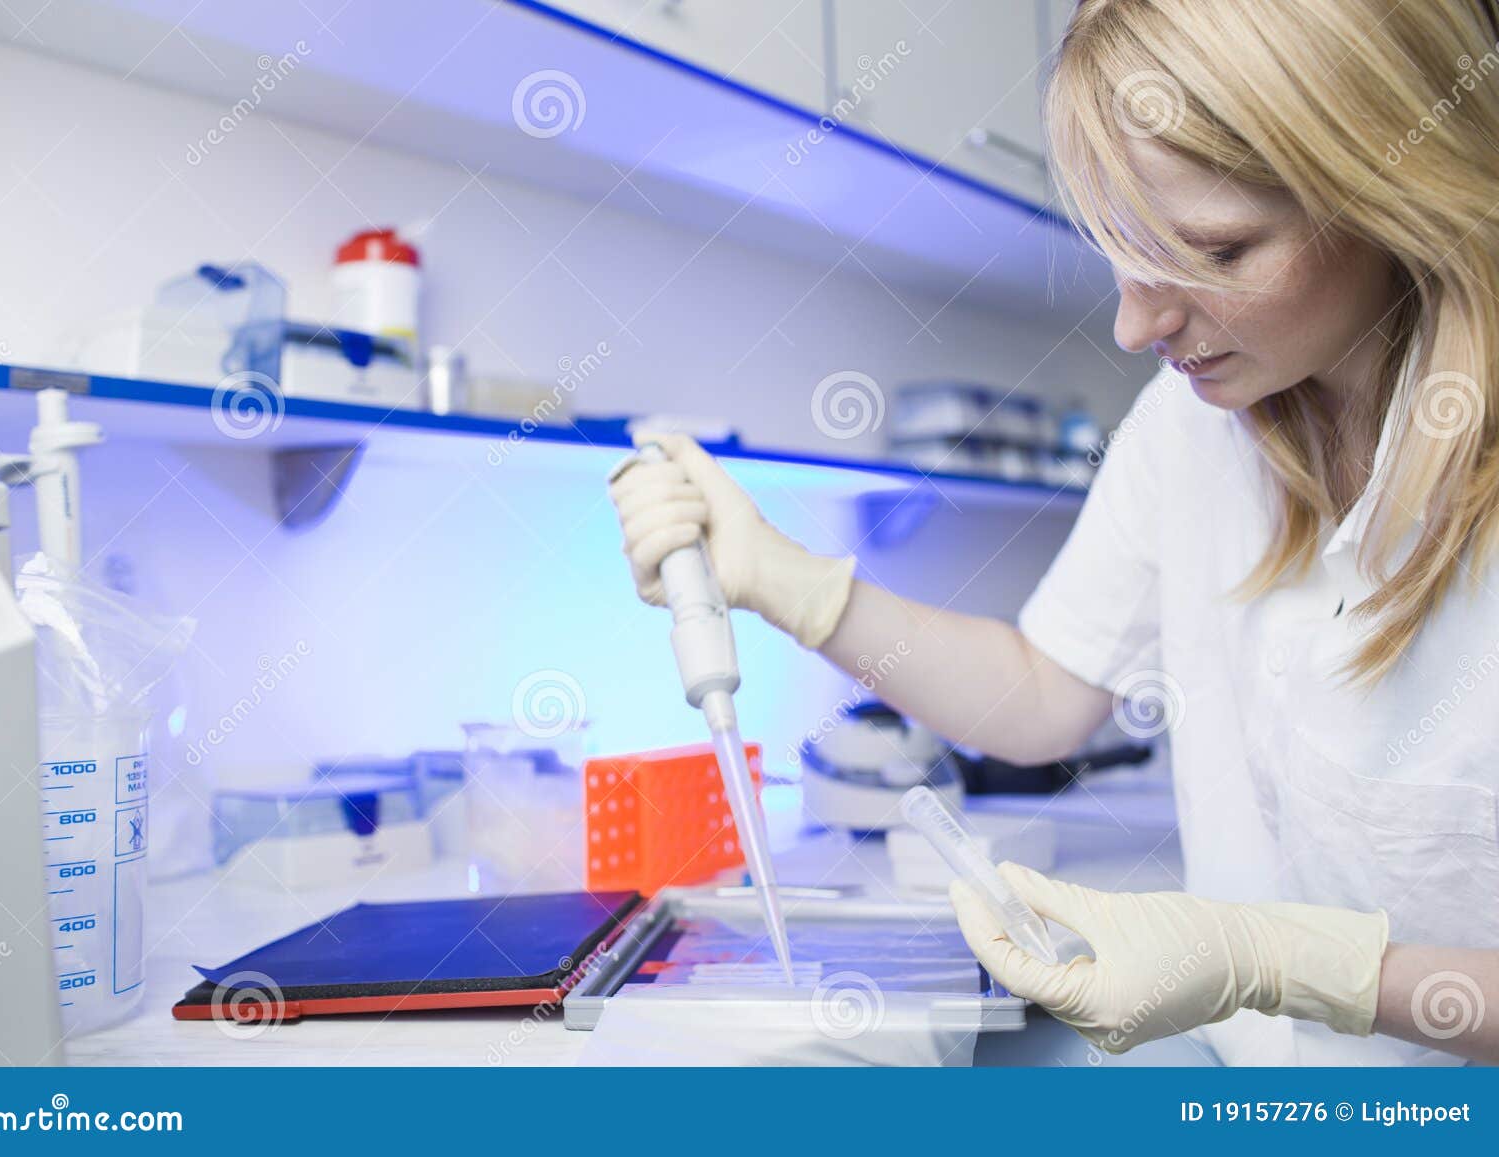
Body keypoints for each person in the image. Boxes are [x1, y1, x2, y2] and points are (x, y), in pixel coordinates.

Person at [608, 0, 1499, 1065]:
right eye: (1120, 251)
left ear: (1395, 181)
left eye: (1210, 249)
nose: (1135, 326)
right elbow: (1038, 696)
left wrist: (1292, 962)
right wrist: (794, 586)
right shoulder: (1196, 422)